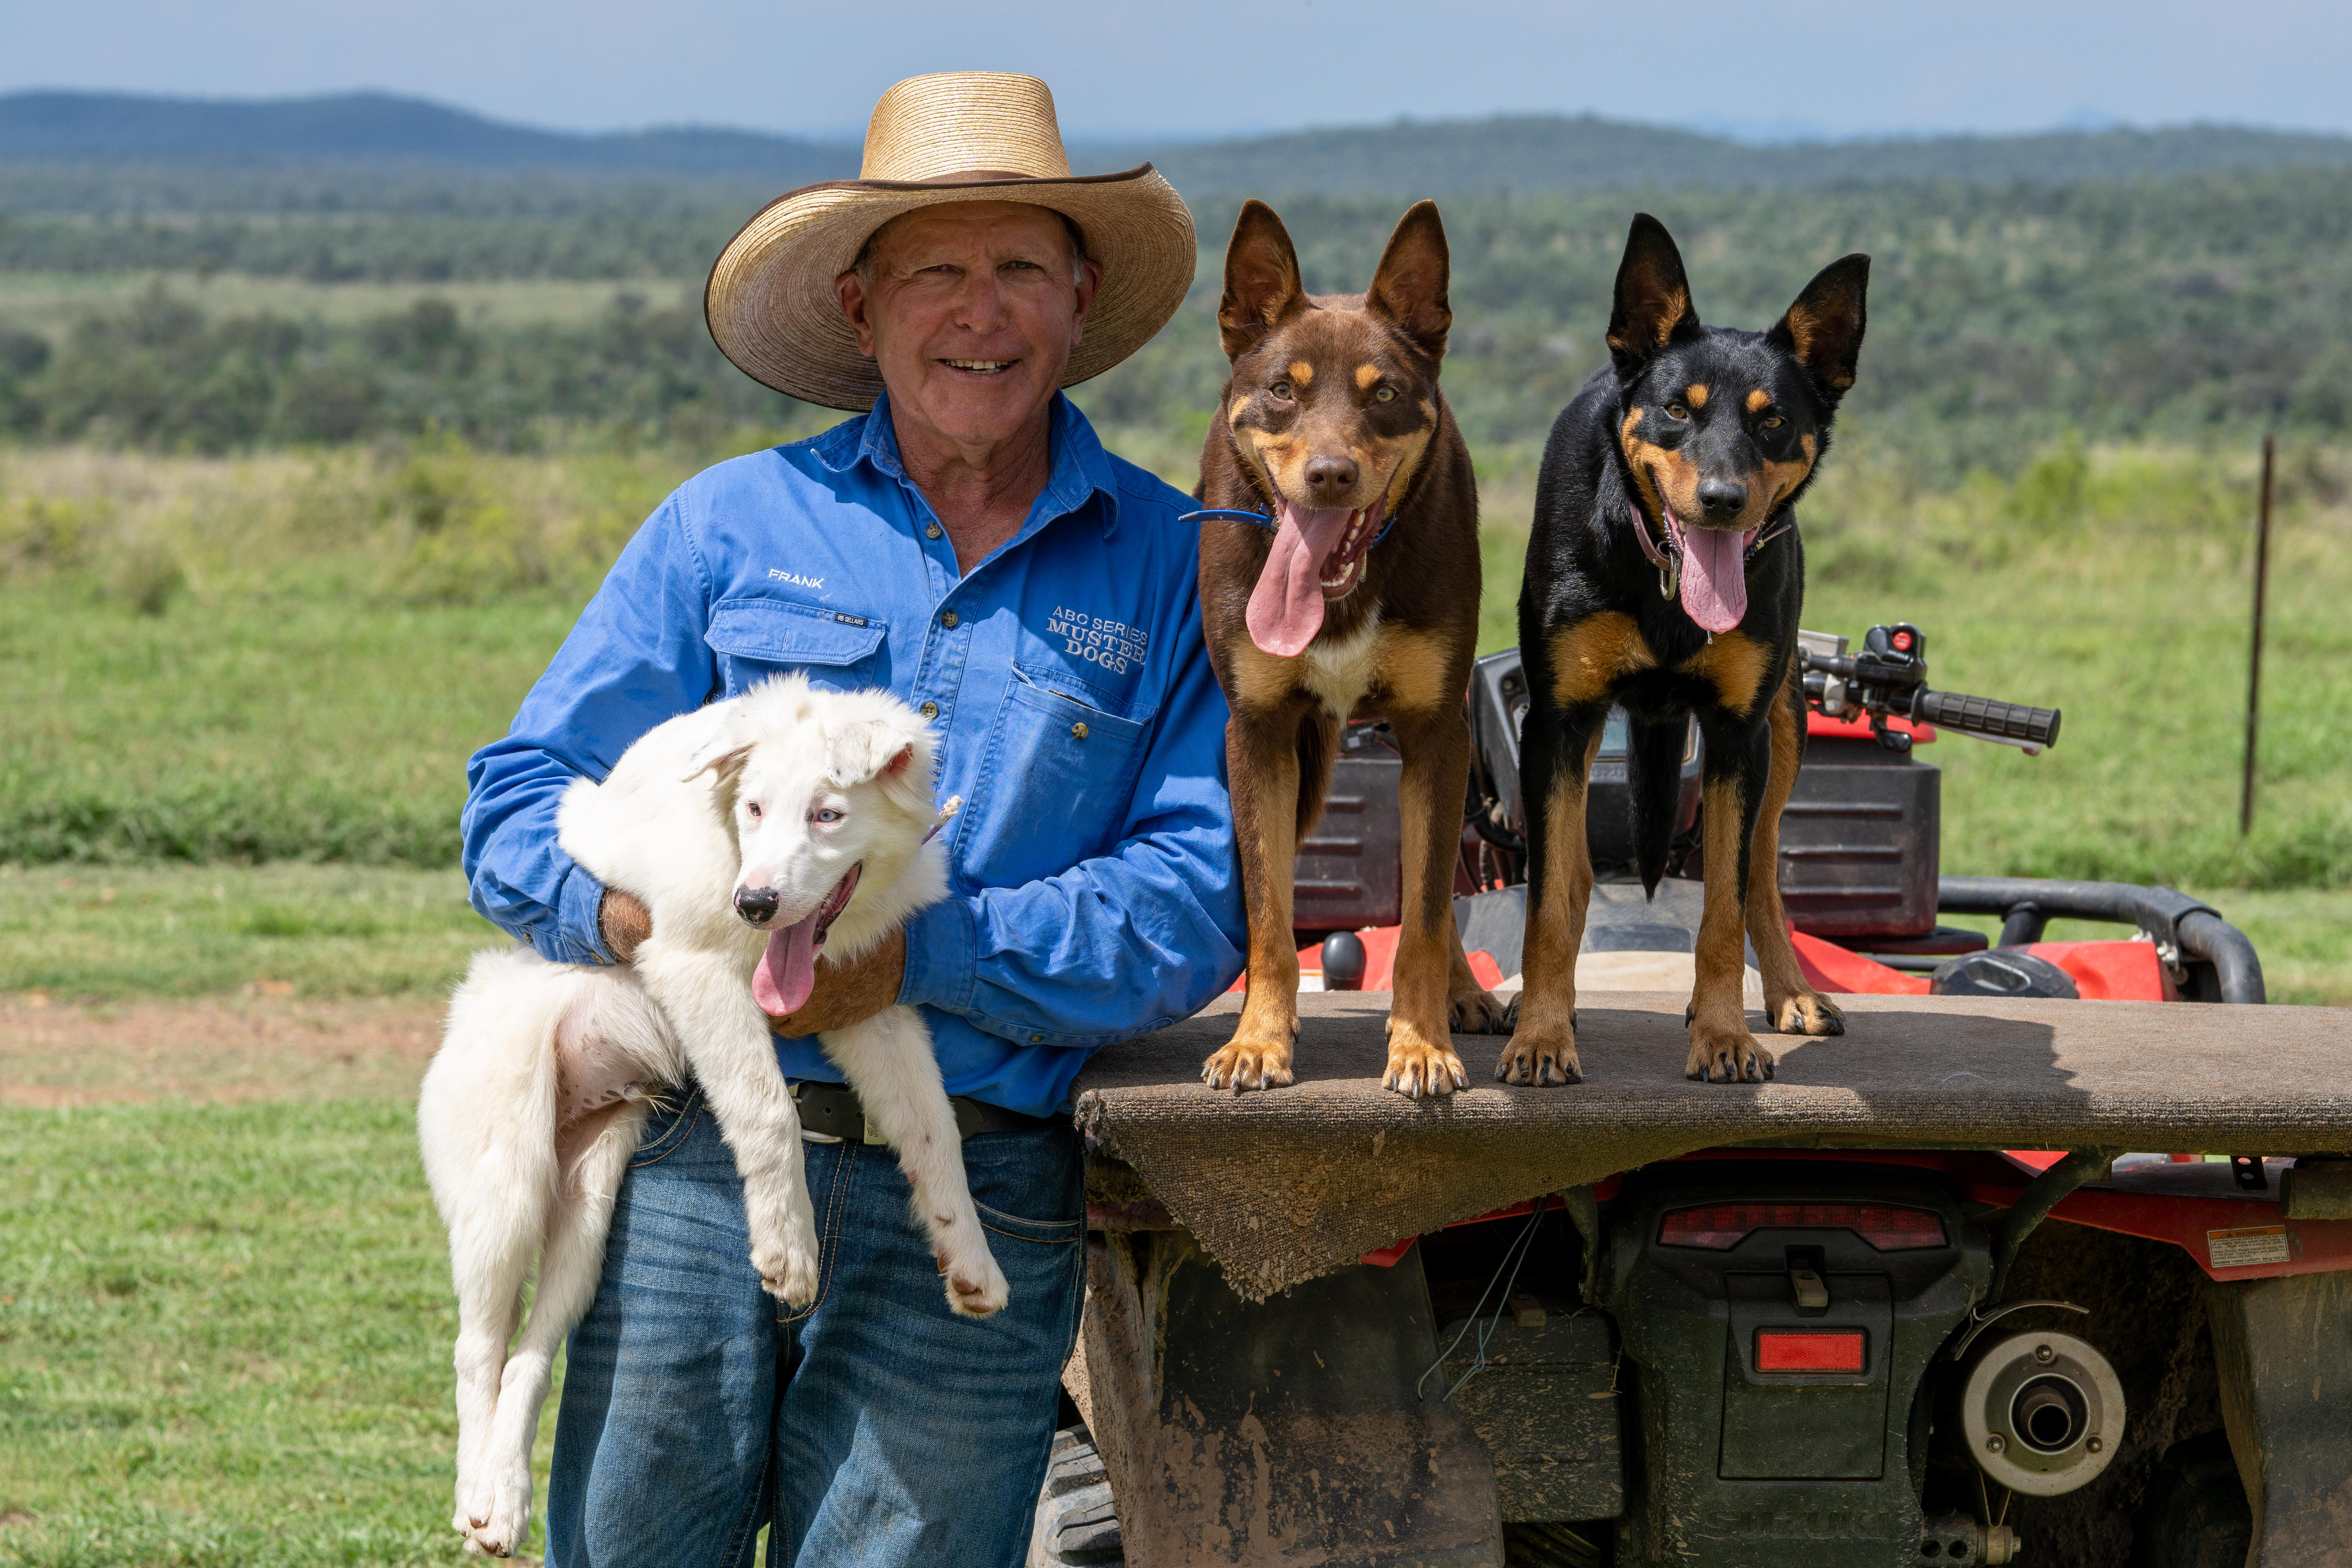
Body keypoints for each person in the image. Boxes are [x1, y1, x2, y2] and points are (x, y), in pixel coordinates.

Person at [461, 72, 1244, 1567]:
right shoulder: (724, 527)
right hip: (690, 1156)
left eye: (1021, 268)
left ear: (1079, 304)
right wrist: (644, 917)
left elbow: (1197, 897)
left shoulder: (1172, 564)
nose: (981, 312)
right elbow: (516, 800)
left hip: (981, 1169)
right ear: (861, 304)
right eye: (936, 271)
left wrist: (917, 955)